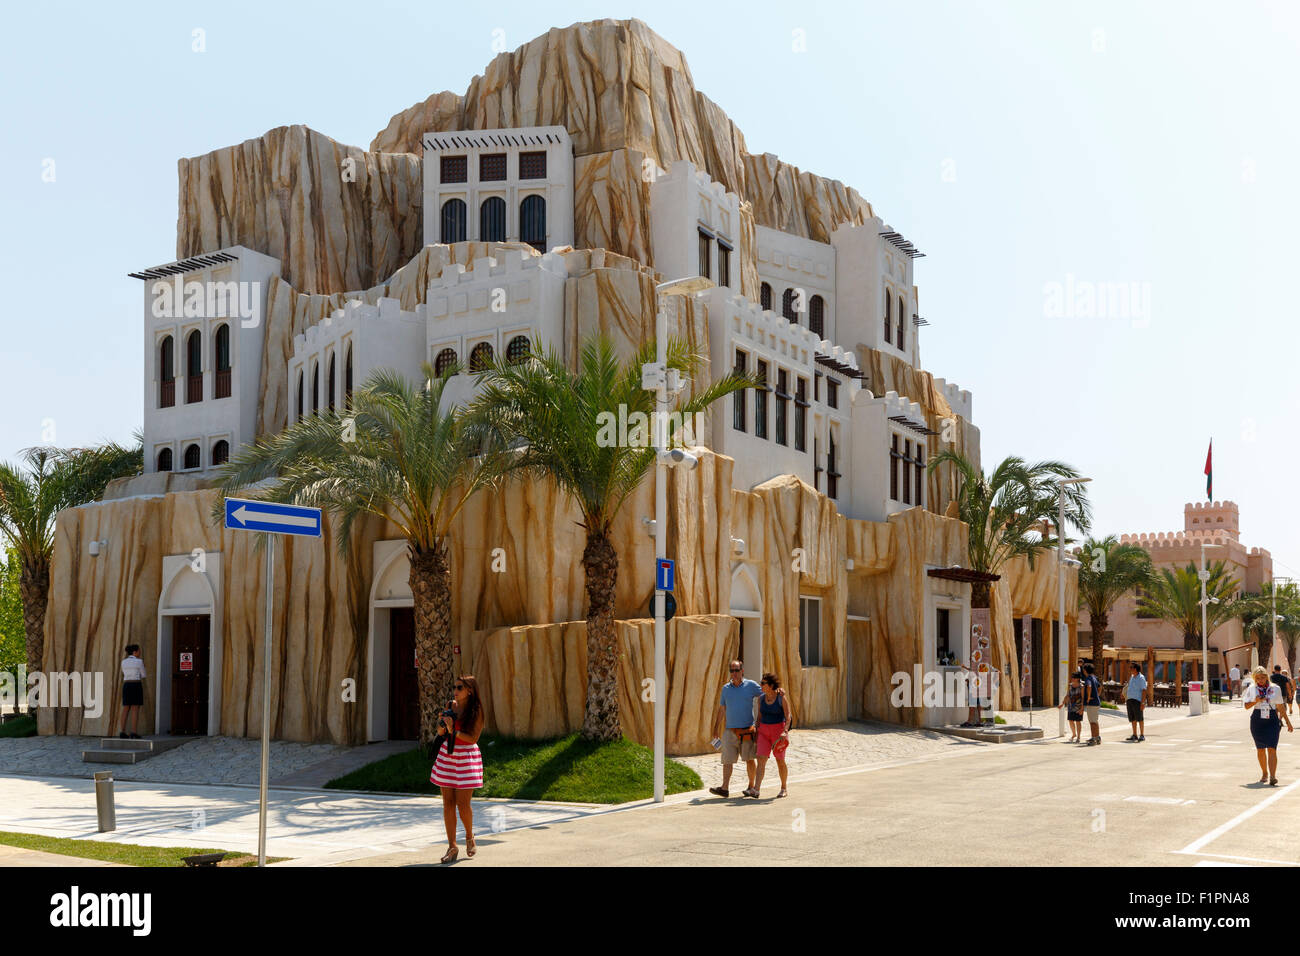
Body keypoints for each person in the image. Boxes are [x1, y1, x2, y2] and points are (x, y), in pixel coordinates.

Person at [430, 675, 484, 863]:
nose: (456, 690)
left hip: (466, 756)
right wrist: (443, 725)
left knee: (463, 804)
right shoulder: (450, 705)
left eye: (460, 687)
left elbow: (473, 738)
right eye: (455, 686)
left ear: (470, 690)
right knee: (447, 803)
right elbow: (440, 732)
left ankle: (469, 837)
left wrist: (454, 730)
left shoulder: (476, 710)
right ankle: (452, 846)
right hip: (448, 754)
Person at [709, 661, 761, 798]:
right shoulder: (725, 688)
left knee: (749, 759)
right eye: (731, 670)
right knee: (727, 760)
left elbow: (764, 694)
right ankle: (724, 788)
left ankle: (751, 786)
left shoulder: (751, 685)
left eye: (736, 670)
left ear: (742, 670)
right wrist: (715, 728)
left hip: (747, 731)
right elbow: (722, 709)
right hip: (729, 731)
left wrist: (778, 691)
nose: (734, 673)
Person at [1243, 665, 1292, 786]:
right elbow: (1246, 706)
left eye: (1262, 677)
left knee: (1272, 748)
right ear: (1254, 678)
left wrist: (1288, 722)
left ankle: (1273, 776)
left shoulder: (1275, 688)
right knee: (1260, 749)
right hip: (1257, 720)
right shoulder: (1252, 688)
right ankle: (1264, 773)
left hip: (1272, 720)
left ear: (1266, 677)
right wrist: (1256, 700)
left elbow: (1280, 706)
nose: (1260, 680)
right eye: (1258, 678)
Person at [752, 673, 792, 798]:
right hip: (764, 731)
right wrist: (756, 729)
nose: (761, 685)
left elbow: (788, 716)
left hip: (778, 732)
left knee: (780, 760)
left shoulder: (781, 698)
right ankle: (756, 789)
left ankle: (784, 787)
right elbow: (759, 716)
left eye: (763, 683)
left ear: (771, 685)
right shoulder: (761, 699)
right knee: (761, 759)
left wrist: (785, 731)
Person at [119, 644, 146, 739]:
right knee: (135, 708)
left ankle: (122, 731)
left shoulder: (123, 662)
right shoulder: (139, 661)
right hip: (136, 684)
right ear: (135, 652)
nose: (140, 652)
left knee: (126, 708)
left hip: (126, 685)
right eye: (139, 651)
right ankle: (133, 732)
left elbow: (123, 673)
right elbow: (143, 675)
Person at [1124, 662, 1148, 742]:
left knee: (1140, 718)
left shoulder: (1141, 678)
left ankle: (1142, 735)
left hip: (1137, 700)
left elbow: (1144, 690)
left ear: (1135, 669)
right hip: (1130, 700)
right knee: (1132, 718)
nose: (1130, 669)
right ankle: (1134, 734)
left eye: (1131, 667)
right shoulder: (1132, 677)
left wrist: (1143, 702)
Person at [1057, 671, 1084, 743]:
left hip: (1078, 707)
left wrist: (1082, 708)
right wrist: (1062, 703)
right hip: (1071, 706)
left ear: (1077, 678)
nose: (1072, 679)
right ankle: (1074, 734)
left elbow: (1083, 698)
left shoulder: (1081, 686)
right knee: (1071, 721)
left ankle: (1078, 737)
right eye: (1072, 677)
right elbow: (1068, 695)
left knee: (1078, 721)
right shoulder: (1070, 685)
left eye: (1073, 677)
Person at [1081, 662, 1103, 746]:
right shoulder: (1094, 677)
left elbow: (1089, 687)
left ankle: (1093, 738)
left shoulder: (1088, 678)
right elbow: (1100, 687)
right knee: (1095, 721)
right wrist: (1097, 695)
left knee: (1092, 722)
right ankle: (1097, 737)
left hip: (1092, 703)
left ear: (1085, 670)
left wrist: (1089, 697)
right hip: (1096, 702)